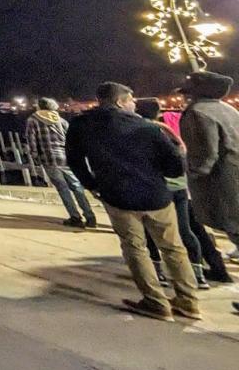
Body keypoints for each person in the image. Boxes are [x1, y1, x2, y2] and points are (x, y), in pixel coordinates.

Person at [65, 82, 200, 321]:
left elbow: (74, 160)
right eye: (131, 100)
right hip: (156, 196)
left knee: (135, 248)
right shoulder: (146, 127)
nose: (134, 104)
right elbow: (175, 168)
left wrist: (92, 185)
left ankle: (155, 301)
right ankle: (188, 300)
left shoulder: (82, 125)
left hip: (117, 196)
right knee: (173, 247)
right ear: (119, 101)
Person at [134, 99, 210, 290]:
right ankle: (198, 274)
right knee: (185, 231)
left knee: (150, 233)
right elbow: (180, 156)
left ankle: (159, 273)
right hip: (179, 187)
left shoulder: (141, 131)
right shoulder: (168, 129)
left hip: (156, 188)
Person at [178, 71, 239, 250]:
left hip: (222, 178)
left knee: (231, 222)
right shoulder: (228, 109)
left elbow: (205, 154)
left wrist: (193, 172)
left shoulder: (198, 112)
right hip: (233, 170)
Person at [24, 98, 97, 228]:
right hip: (65, 157)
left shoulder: (33, 120)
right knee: (77, 186)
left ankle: (75, 217)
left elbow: (32, 140)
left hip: (49, 158)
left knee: (63, 189)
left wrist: (35, 156)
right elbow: (71, 140)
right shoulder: (61, 120)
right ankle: (90, 216)